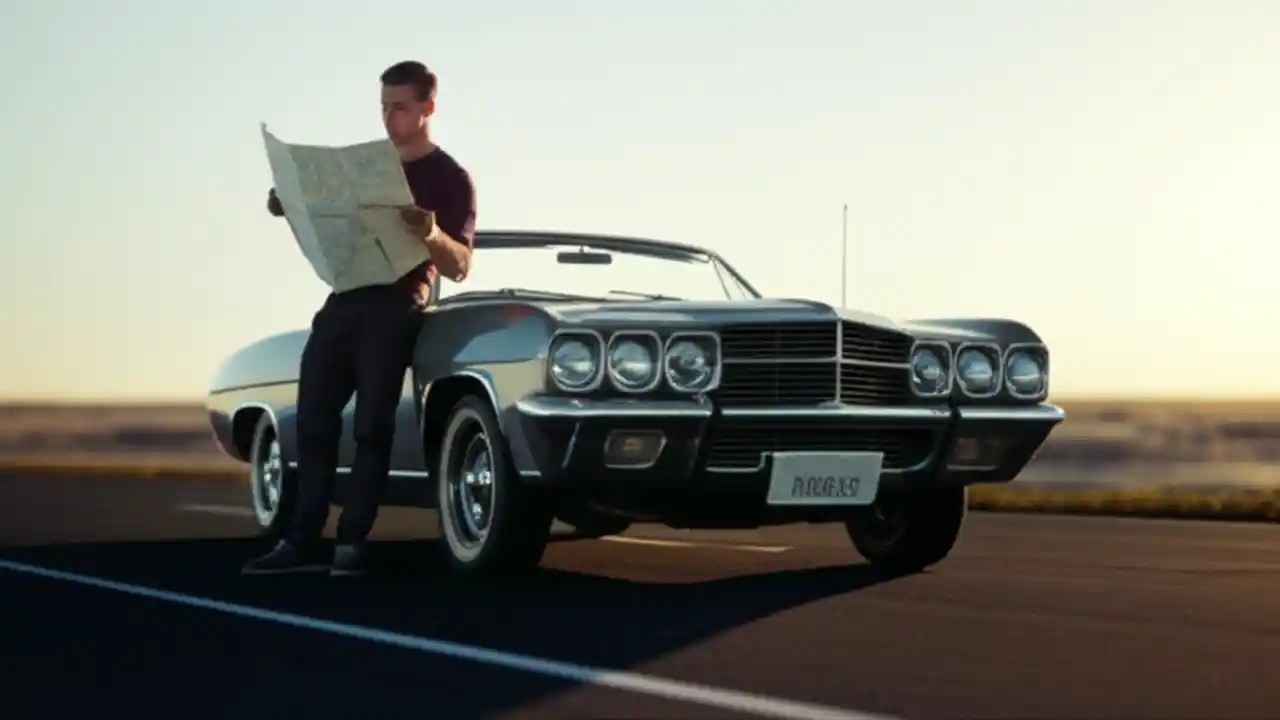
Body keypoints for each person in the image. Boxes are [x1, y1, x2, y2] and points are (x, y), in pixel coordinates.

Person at [242, 60, 476, 577]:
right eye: (383, 107)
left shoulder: (449, 176)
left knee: (373, 424)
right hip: (344, 297)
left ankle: (352, 542)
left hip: (396, 303)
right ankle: (301, 542)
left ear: (427, 109)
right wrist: (294, 206)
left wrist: (431, 233)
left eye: (400, 107)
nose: (388, 117)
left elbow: (459, 265)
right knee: (312, 420)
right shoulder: (367, 168)